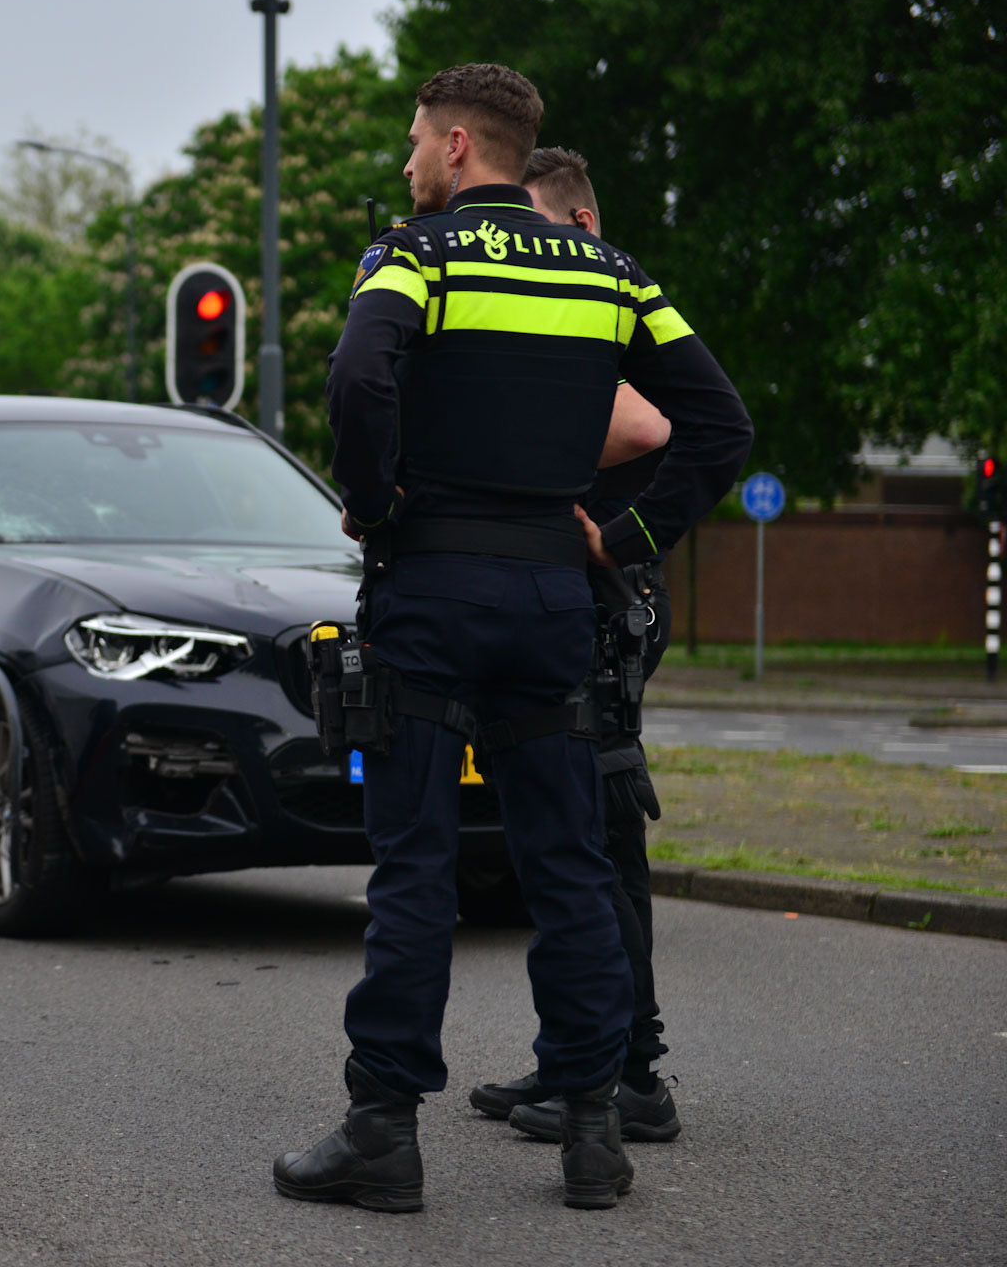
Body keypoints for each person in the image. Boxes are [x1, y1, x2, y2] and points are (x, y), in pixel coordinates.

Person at [270, 63, 751, 1212]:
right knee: (567, 864)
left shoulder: (414, 257)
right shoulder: (613, 272)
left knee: (415, 864)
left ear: (455, 146)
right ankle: (593, 1132)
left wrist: (377, 503)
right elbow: (720, 425)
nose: (407, 164)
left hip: (433, 589)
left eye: (414, 143)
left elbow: (359, 375)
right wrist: (623, 539)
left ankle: (383, 1132)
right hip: (552, 598)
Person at [469, 146, 684, 1145]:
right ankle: (580, 1057)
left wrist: (509, 449)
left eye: (535, 231)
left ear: (582, 227)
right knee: (572, 837)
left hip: (604, 601)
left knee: (596, 842)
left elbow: (646, 426)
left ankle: (628, 1074)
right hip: (584, 598)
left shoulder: (605, 308)